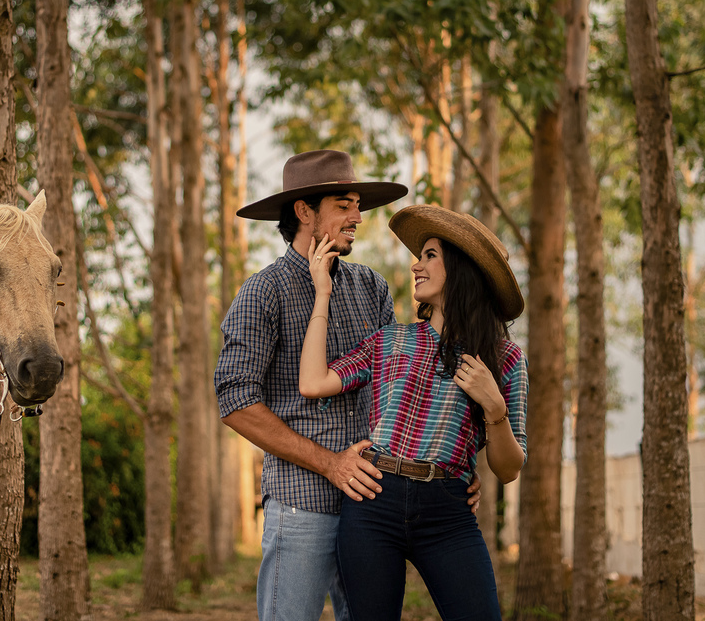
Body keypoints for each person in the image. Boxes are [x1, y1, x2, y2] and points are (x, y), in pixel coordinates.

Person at [299, 204, 527, 621]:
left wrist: (494, 408)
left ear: (462, 269)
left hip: (449, 513)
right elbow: (313, 383)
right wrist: (322, 293)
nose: (416, 265)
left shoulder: (505, 359)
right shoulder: (390, 341)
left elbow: (509, 469)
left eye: (430, 256)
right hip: (373, 503)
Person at [215, 149, 409, 621]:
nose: (358, 217)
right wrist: (330, 464)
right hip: (301, 508)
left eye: (357, 205)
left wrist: (451, 469)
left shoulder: (372, 288)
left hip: (372, 506)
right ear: (305, 211)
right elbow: (235, 400)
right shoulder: (263, 291)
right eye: (344, 205)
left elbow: (398, 389)